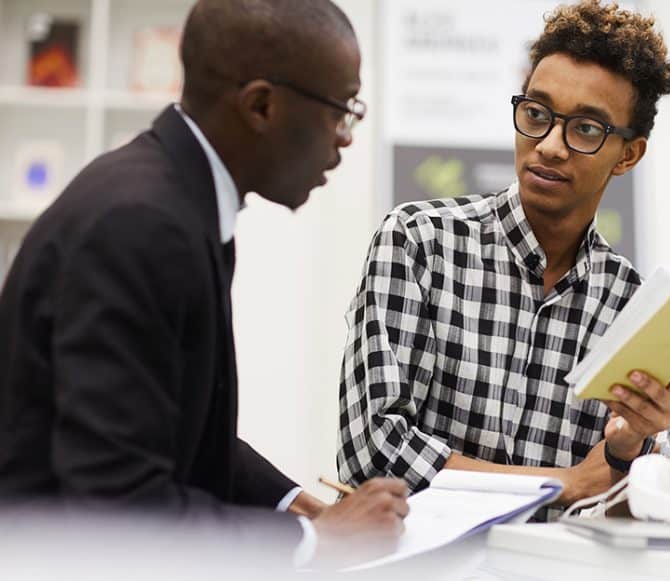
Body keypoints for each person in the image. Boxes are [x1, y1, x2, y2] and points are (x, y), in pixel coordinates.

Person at [0, 0, 406, 566]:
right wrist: (317, 543)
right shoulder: (141, 226)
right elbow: (120, 508)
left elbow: (177, 431)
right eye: (342, 111)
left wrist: (295, 506)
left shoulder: (171, 197)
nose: (345, 139)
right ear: (261, 106)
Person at [337, 0, 670, 518]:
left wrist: (627, 451)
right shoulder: (418, 243)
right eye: (536, 114)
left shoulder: (631, 303)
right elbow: (372, 455)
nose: (549, 146)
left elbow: (661, 506)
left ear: (629, 155)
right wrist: (564, 484)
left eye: (586, 129)